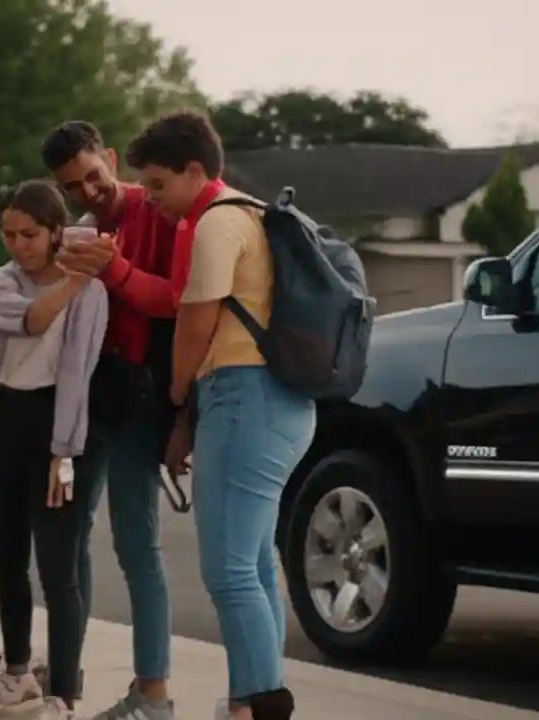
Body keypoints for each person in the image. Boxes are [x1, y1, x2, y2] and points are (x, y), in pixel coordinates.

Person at [126, 111, 315, 720]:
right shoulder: (258, 213)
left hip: (243, 398)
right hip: (285, 403)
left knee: (229, 572)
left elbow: (196, 317)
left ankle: (262, 707)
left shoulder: (216, 221)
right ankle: (248, 702)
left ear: (194, 171)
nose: (151, 199)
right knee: (254, 566)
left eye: (158, 184)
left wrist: (177, 395)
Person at [39, 120, 181, 720]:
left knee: (136, 546)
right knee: (68, 538)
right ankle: (63, 676)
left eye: (92, 176)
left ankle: (154, 693)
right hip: (88, 398)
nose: (88, 191)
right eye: (72, 186)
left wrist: (112, 269)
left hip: (140, 402)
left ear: (112, 159)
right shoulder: (81, 229)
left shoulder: (158, 212)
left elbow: (174, 299)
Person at [0, 180, 108, 720]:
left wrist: (64, 452)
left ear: (55, 232)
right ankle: (17, 672)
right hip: (8, 420)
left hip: (60, 426)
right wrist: (75, 279)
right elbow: (29, 320)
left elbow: (78, 373)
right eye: (10, 234)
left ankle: (62, 695)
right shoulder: (1, 283)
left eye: (30, 234)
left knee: (59, 568)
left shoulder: (92, 295)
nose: (19, 245)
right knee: (8, 559)